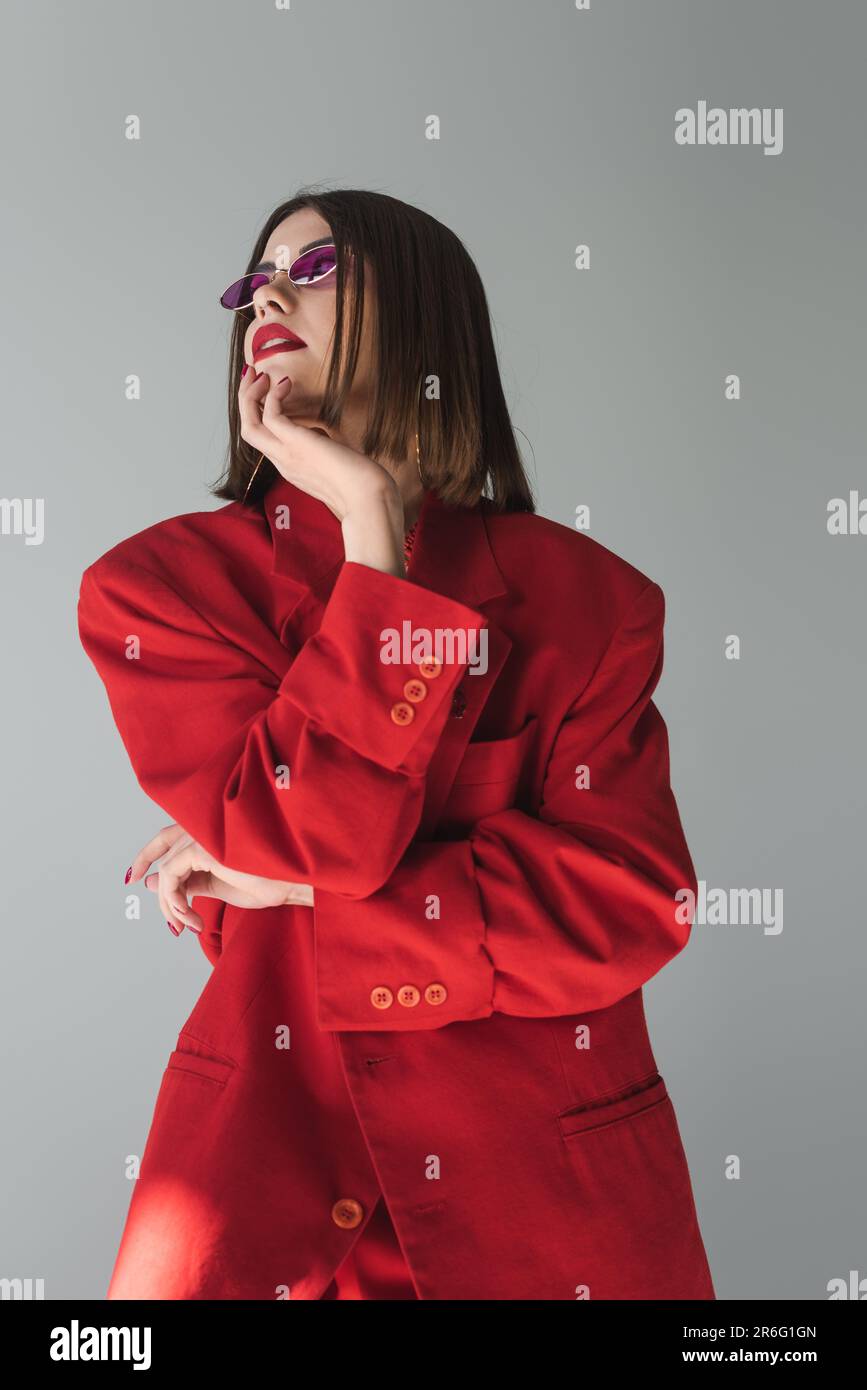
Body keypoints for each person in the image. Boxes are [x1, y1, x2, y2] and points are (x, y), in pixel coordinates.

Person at [77, 187, 715, 1301]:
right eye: (252, 281)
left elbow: (634, 899)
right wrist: (372, 537)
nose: (264, 293)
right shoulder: (162, 591)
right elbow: (312, 833)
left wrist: (302, 893)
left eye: (316, 269)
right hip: (255, 1205)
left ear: (427, 322)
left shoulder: (593, 603)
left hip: (548, 1216)